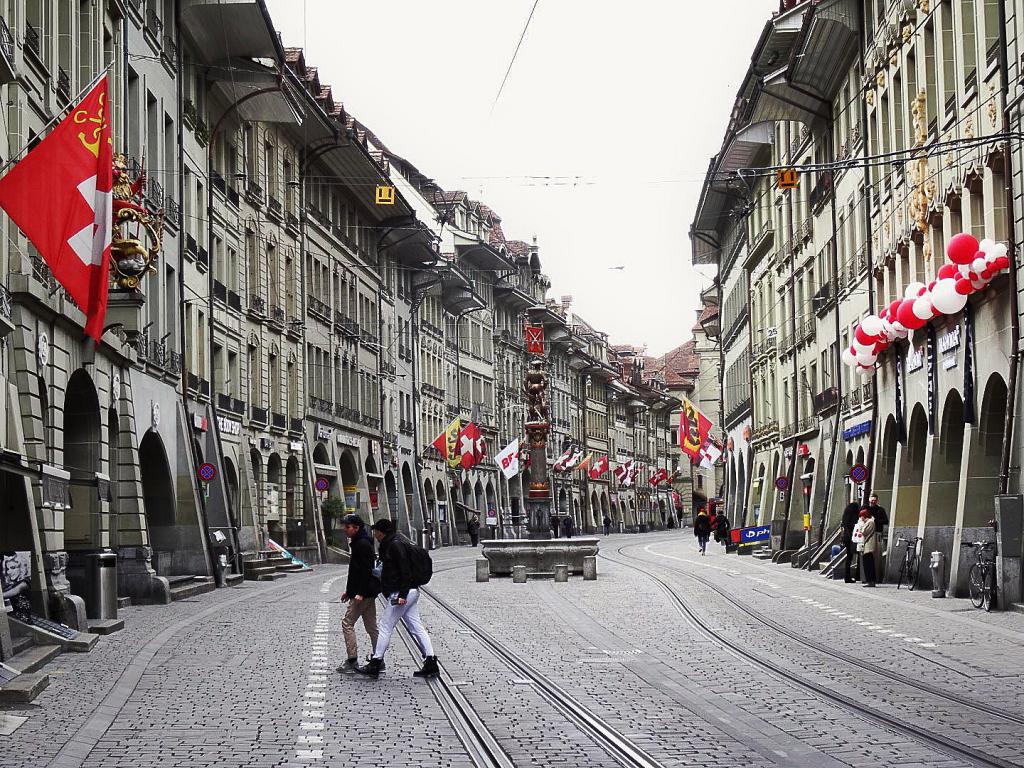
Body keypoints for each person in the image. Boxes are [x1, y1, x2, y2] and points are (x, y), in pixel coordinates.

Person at [357, 519, 438, 679]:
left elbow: (405, 571)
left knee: (385, 626)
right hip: (410, 591)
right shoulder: (395, 542)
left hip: (402, 592)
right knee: (416, 626)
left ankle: (376, 662)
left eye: (376, 531)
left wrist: (402, 595)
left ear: (381, 532)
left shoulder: (394, 545)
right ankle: (431, 662)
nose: (375, 534)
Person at [337, 514, 381, 674]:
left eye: (347, 527)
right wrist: (349, 592)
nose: (345, 529)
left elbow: (364, 571)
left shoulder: (361, 544)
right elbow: (355, 571)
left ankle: (352, 660)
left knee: (347, 623)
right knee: (371, 627)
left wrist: (359, 592)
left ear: (356, 528)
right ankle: (379, 658)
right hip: (367, 592)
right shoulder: (361, 542)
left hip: (363, 593)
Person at [857, 508, 879, 587]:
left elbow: (864, 532)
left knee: (868, 564)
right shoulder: (868, 522)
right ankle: (869, 580)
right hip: (867, 545)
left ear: (864, 515)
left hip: (869, 545)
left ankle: (871, 581)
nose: (861, 518)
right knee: (867, 564)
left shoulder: (870, 522)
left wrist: (860, 525)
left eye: (861, 516)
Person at [840, 502, 860, 583]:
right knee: (856, 556)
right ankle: (856, 575)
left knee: (849, 557)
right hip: (852, 539)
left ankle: (847, 576)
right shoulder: (854, 517)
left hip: (846, 539)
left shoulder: (845, 517)